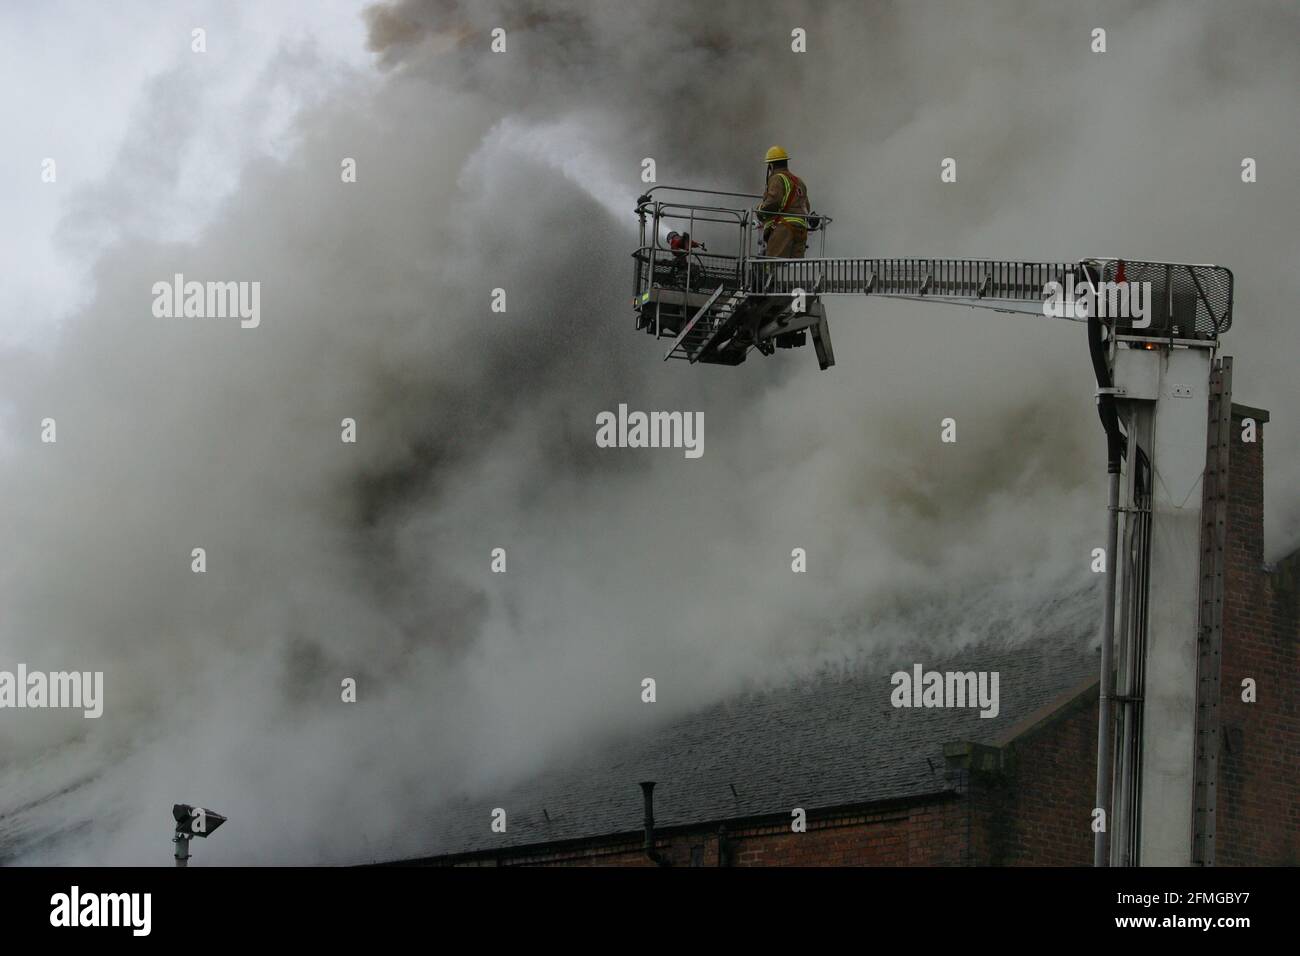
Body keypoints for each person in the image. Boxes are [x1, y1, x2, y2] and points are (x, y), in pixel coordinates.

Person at [755, 145, 810, 259]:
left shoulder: (777, 178)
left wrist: (760, 209)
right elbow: (807, 207)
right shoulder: (799, 181)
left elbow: (773, 201)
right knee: (794, 271)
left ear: (771, 165)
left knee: (773, 265)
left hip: (783, 229)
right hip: (801, 230)